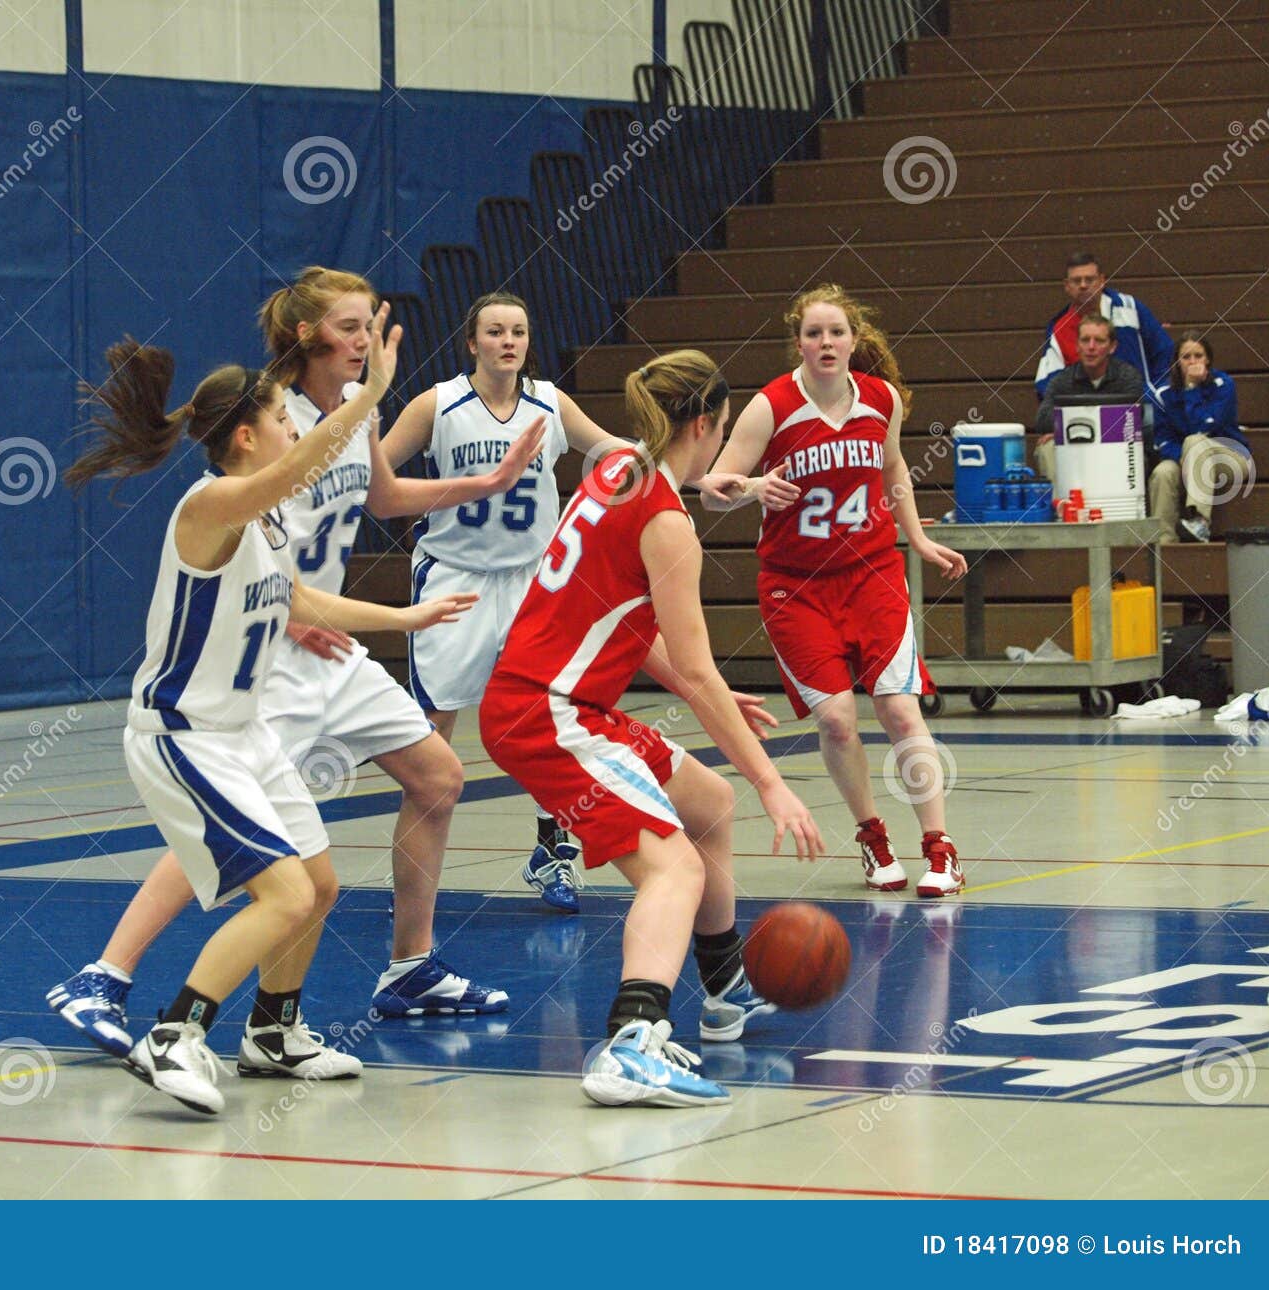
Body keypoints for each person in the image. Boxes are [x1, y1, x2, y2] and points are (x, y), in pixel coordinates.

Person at [47, 270, 538, 1062]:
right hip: (257, 660)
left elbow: (379, 497)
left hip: (323, 635)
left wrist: (480, 483)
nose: (364, 341)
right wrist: (288, 605)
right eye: (349, 327)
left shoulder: (349, 410)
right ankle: (109, 973)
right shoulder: (268, 425)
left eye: (368, 327)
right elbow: (278, 498)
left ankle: (399, 971)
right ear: (308, 337)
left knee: (437, 778)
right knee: (235, 831)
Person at [480, 349, 824, 1107]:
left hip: (557, 701)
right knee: (677, 869)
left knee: (708, 804)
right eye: (725, 429)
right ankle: (634, 1041)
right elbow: (695, 673)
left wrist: (716, 690)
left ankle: (726, 985)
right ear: (704, 423)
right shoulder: (667, 523)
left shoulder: (615, 471)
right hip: (552, 713)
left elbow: (637, 627)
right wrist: (773, 784)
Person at [700, 284, 969, 898]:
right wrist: (751, 488)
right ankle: (873, 837)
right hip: (797, 586)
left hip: (872, 573)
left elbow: (894, 468)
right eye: (815, 334)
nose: (826, 343)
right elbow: (712, 482)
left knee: (900, 709)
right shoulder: (771, 406)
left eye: (836, 333)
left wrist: (917, 541)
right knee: (838, 720)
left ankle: (940, 847)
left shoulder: (881, 400)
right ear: (799, 342)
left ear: (854, 340)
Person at [380, 292, 631, 914]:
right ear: (472, 342)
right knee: (435, 733)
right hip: (455, 582)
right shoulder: (437, 406)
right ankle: (414, 882)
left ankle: (554, 852)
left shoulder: (550, 402)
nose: (508, 341)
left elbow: (614, 453)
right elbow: (374, 478)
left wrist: (695, 471)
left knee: (551, 721)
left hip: (531, 581)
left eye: (518, 331)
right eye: (494, 332)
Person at [1034, 250, 1173, 407]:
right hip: (1087, 417)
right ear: (1067, 286)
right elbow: (1047, 385)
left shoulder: (1129, 308)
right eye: (1076, 280)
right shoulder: (1059, 329)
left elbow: (1164, 352)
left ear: (1102, 280)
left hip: (1142, 410)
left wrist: (1157, 396)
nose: (1083, 285)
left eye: (1089, 279)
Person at [1149, 332, 1251, 543]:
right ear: (1177, 362)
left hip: (1230, 457)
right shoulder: (1163, 393)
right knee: (1162, 472)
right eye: (1186, 357)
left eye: (1198, 355)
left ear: (1208, 360)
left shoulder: (1223, 385)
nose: (1193, 362)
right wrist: (1187, 459)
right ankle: (1164, 543)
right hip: (1188, 460)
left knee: (1194, 441)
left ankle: (1200, 522)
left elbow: (1202, 427)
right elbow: (1163, 441)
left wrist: (1192, 388)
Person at [1032, 313, 1145, 486]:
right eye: (1085, 340)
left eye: (1099, 341)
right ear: (1077, 345)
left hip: (1117, 450)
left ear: (1112, 347)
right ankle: (1062, 509)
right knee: (1046, 448)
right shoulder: (1062, 380)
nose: (1091, 347)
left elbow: (1130, 420)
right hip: (1075, 451)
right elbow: (1042, 420)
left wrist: (1065, 425)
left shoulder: (1128, 377)